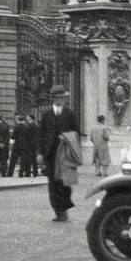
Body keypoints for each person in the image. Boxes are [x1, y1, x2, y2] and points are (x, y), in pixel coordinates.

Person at [38, 84, 81, 221]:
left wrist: (68, 138)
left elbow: (77, 133)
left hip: (65, 154)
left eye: (62, 98)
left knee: (65, 183)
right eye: (58, 98)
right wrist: (40, 153)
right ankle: (58, 211)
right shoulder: (46, 115)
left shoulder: (70, 114)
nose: (60, 100)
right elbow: (41, 134)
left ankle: (64, 208)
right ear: (53, 99)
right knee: (53, 183)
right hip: (50, 154)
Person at [90, 114, 112, 178]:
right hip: (103, 145)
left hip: (96, 145)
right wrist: (108, 138)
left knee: (97, 159)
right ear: (102, 120)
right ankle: (104, 172)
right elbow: (106, 137)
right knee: (104, 159)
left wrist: (95, 142)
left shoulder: (93, 128)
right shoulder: (104, 128)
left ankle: (97, 172)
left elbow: (91, 138)